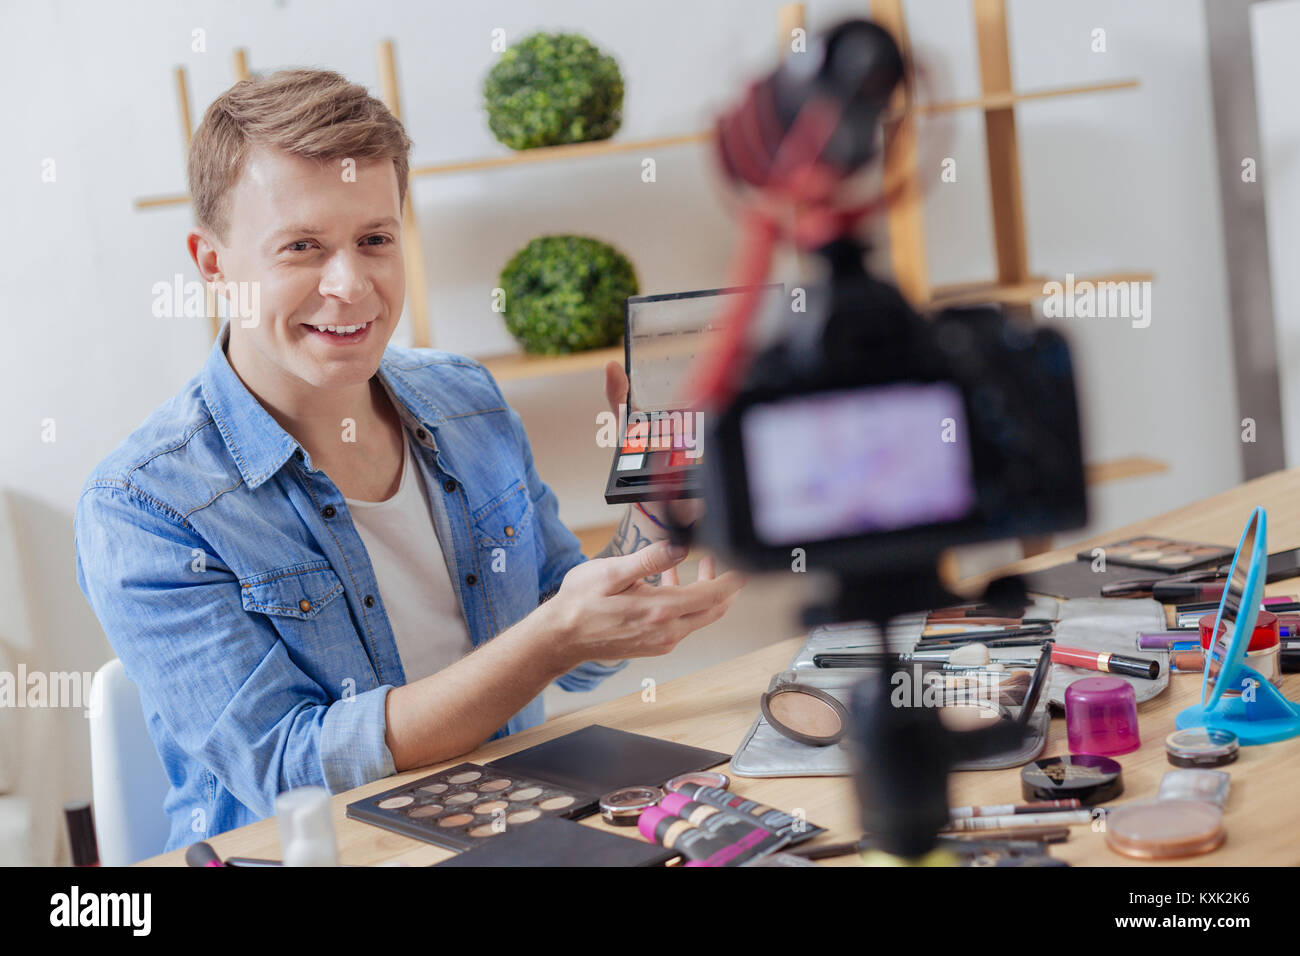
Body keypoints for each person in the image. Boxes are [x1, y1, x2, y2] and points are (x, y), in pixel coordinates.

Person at [74, 69, 743, 851]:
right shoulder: (143, 503)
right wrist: (557, 636)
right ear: (214, 266)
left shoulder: (466, 400)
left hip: (525, 829)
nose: (350, 284)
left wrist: (658, 510)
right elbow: (295, 771)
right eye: (302, 247)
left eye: (375, 240)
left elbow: (572, 649)